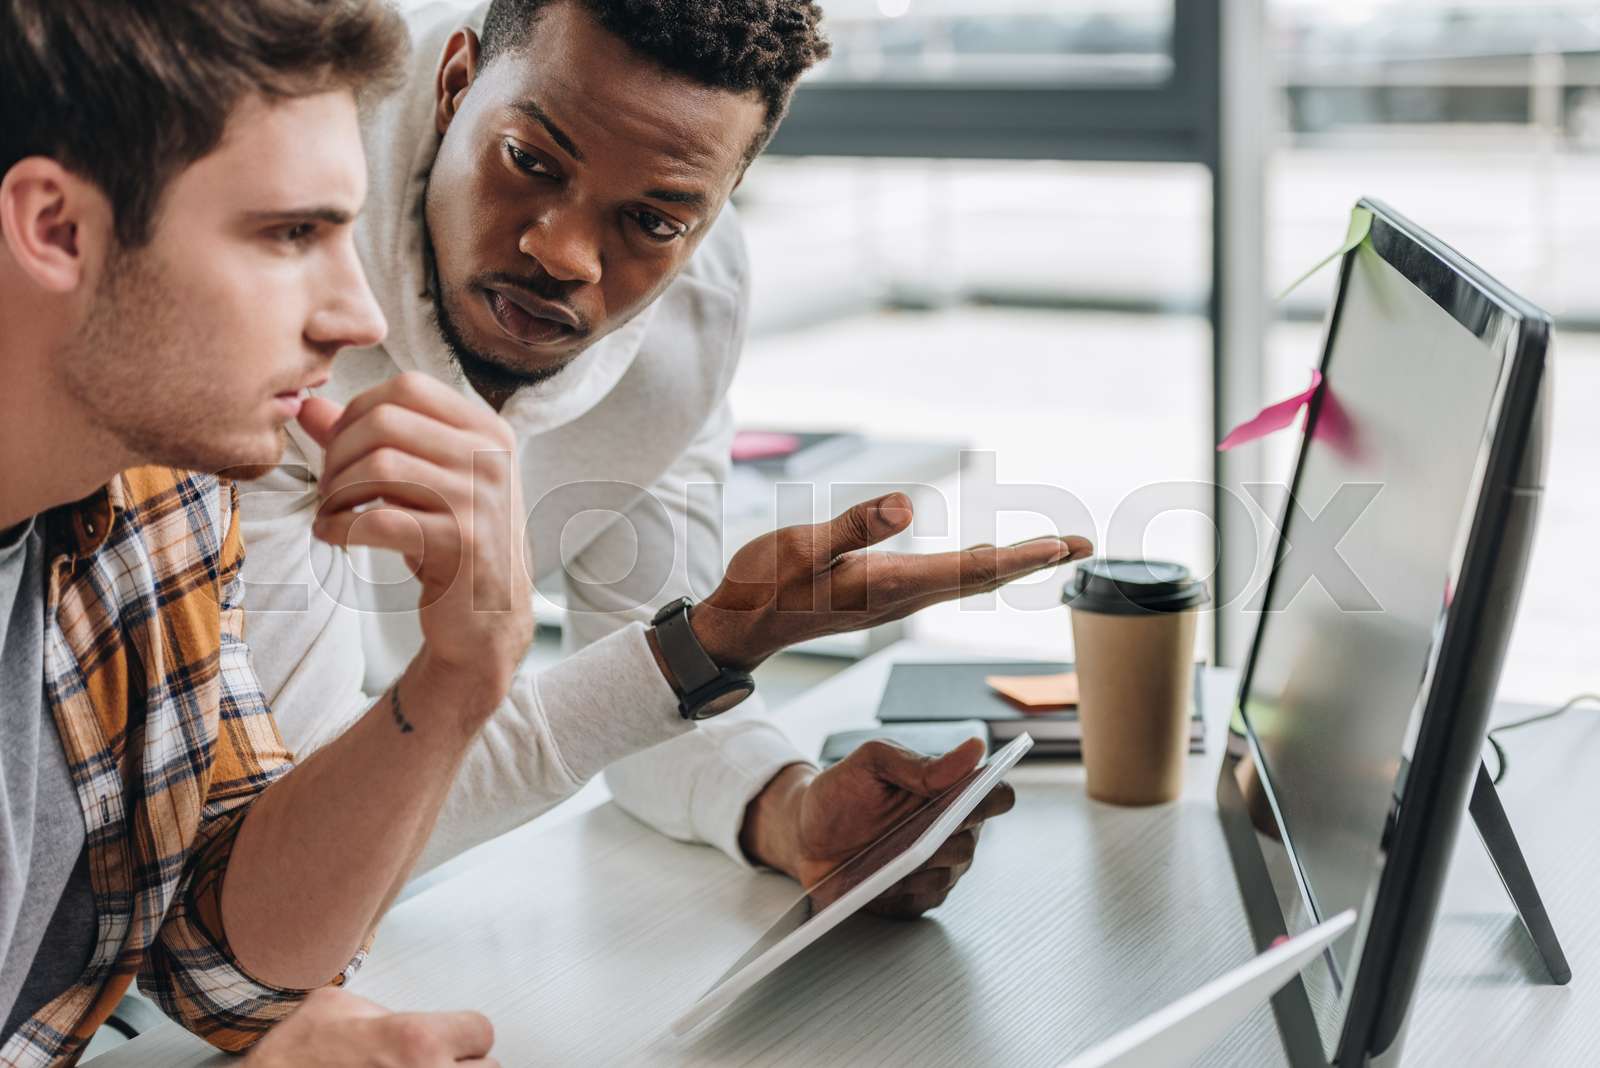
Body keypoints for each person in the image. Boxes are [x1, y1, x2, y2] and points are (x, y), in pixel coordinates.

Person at [241, 0, 1094, 916]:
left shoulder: (687, 318)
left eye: (651, 222)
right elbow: (275, 839)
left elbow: (640, 696)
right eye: (530, 162)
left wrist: (788, 810)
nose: (561, 254)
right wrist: (700, 650)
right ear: (455, 85)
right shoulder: (269, 265)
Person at [0, 1, 523, 1063]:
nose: (360, 316)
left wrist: (465, 670)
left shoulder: (157, 488)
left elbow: (221, 963)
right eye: (292, 234)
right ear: (57, 226)